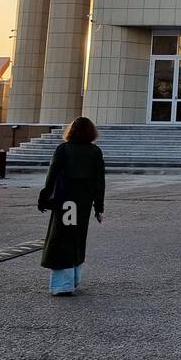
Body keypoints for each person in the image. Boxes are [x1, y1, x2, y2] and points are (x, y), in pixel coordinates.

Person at [37, 116, 105, 296]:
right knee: (76, 239)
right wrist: (99, 208)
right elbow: (100, 182)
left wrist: (43, 199)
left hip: (66, 201)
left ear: (71, 131)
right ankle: (74, 279)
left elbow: (51, 176)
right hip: (83, 203)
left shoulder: (63, 149)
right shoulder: (95, 152)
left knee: (62, 239)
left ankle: (62, 285)